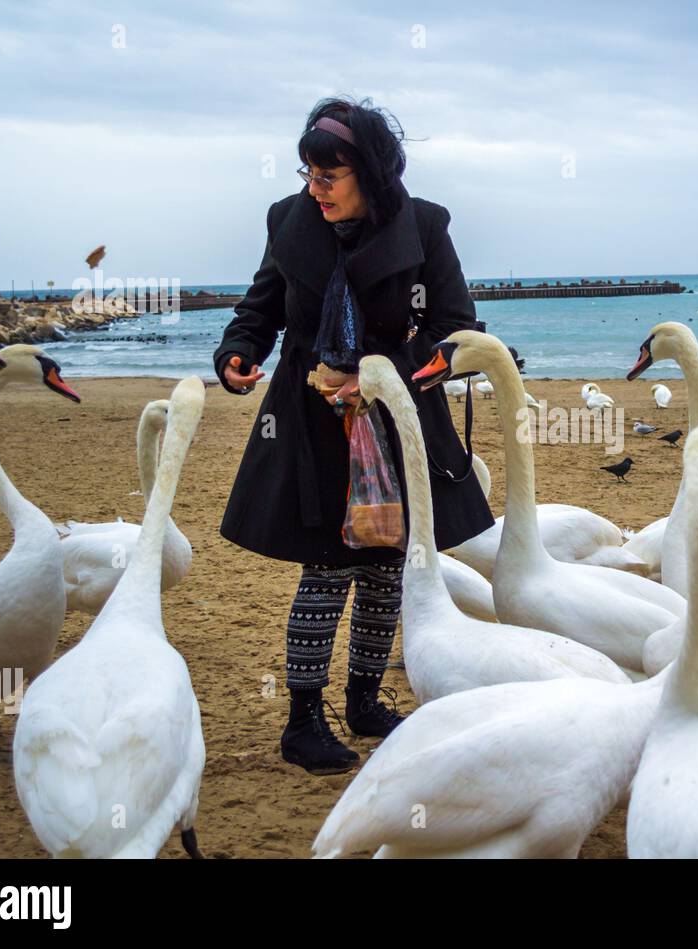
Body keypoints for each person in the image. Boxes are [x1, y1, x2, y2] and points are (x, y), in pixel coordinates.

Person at [213, 96, 494, 775]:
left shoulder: (424, 227)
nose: (314, 188)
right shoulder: (289, 222)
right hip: (311, 421)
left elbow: (454, 330)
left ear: (366, 171)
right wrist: (236, 351)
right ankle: (302, 720)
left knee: (386, 563)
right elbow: (262, 307)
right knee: (328, 563)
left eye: (327, 176)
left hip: (395, 416)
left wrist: (376, 375)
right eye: (308, 173)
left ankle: (365, 700)